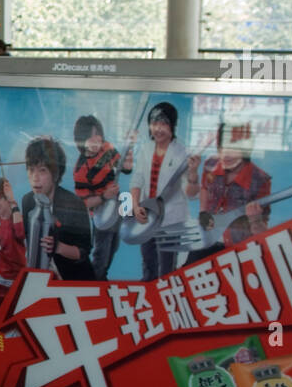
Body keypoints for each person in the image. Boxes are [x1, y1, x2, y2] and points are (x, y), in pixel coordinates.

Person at [184, 119, 271, 262]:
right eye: (222, 147)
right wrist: (203, 211)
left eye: (233, 148)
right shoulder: (211, 164)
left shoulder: (260, 180)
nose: (226, 154)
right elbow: (198, 192)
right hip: (206, 240)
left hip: (238, 250)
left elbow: (263, 234)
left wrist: (255, 220)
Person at [18, 136, 95, 281]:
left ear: (55, 174)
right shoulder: (27, 201)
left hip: (74, 279)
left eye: (42, 171)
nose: (35, 178)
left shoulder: (74, 204)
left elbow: (84, 252)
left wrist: (58, 247)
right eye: (31, 170)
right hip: (41, 276)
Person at [128, 102, 188, 281]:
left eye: (163, 123)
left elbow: (189, 190)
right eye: (154, 123)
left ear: (172, 126)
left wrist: (192, 174)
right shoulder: (146, 149)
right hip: (148, 214)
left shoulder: (181, 151)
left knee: (167, 267)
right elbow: (137, 178)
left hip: (171, 218)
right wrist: (136, 205)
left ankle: (166, 297)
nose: (158, 128)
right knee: (148, 262)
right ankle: (147, 295)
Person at [71, 115, 122, 280]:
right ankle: (96, 280)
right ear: (81, 140)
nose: (95, 140)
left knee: (114, 246)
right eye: (90, 136)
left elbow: (123, 166)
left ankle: (103, 277)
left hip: (117, 206)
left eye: (98, 135)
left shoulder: (107, 148)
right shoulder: (80, 170)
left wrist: (130, 148)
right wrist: (104, 196)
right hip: (101, 214)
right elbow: (84, 203)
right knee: (102, 251)